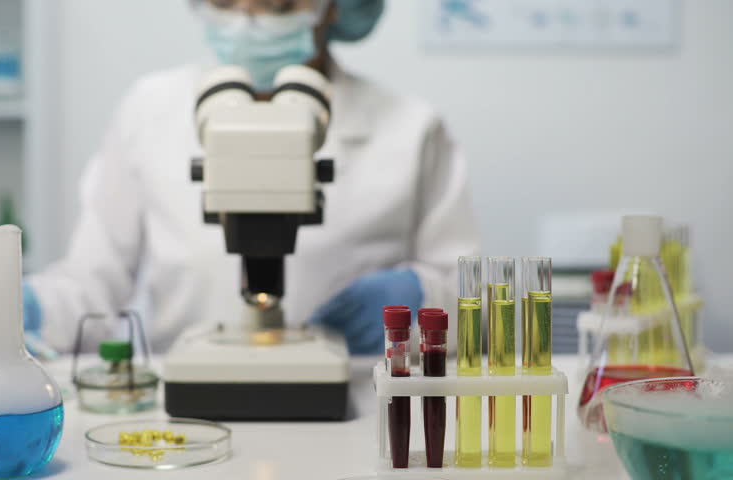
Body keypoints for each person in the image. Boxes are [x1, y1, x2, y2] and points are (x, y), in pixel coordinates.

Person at [24, 0, 479, 355]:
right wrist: (25, 312)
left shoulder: (411, 127)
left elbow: (469, 299)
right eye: (225, 2)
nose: (246, 22)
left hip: (356, 398)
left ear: (333, 6)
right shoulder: (150, 109)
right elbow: (93, 285)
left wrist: (418, 302)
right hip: (184, 406)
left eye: (278, 5)